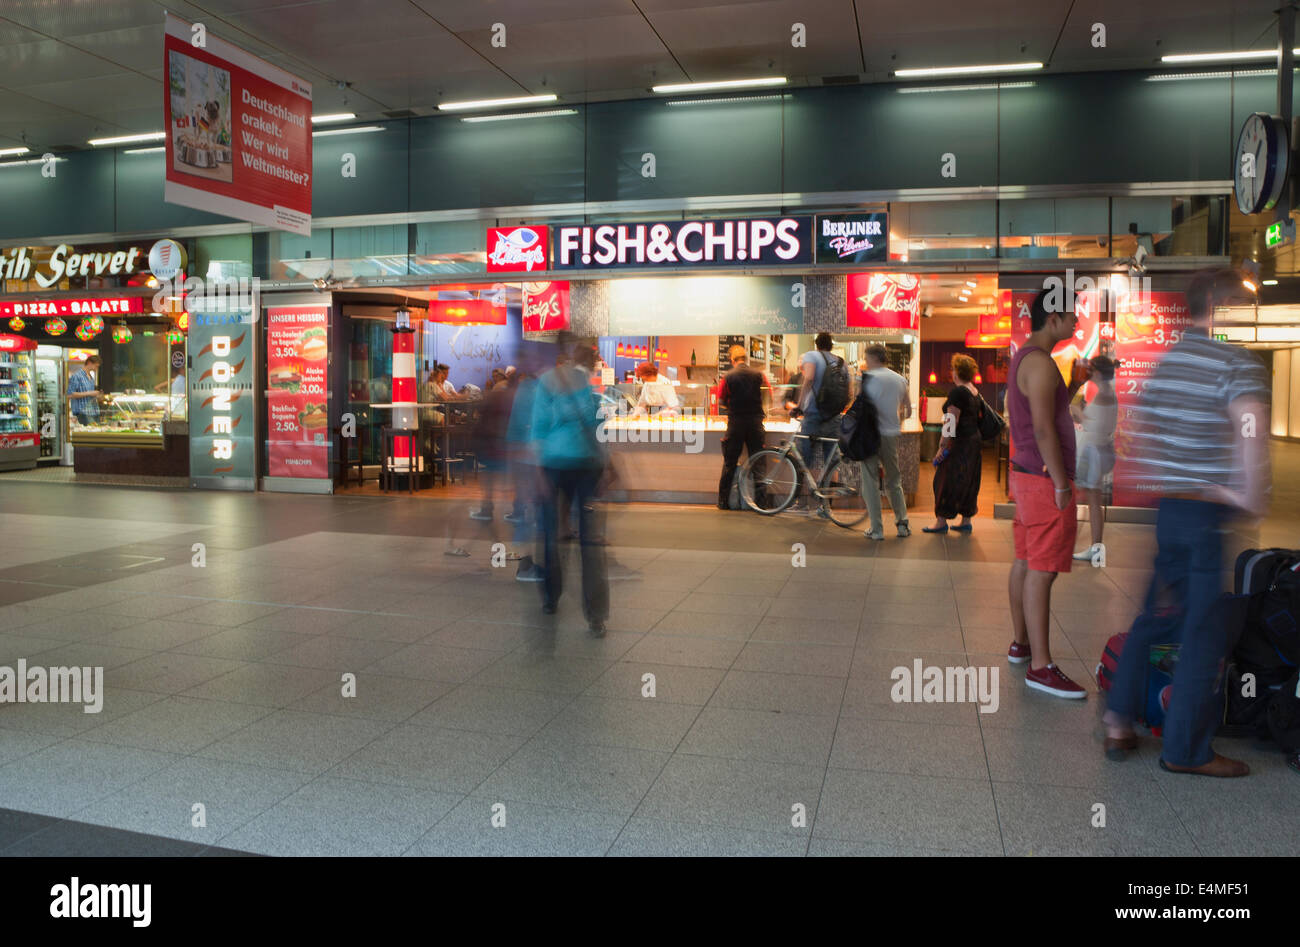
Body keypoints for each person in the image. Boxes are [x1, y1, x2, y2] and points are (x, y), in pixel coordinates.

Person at [1103, 269, 1271, 777]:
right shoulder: (1234, 362)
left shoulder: (1167, 363)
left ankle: (1118, 722)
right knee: (1202, 632)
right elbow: (1249, 427)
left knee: (1154, 618)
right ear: (1217, 304)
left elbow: (1149, 433)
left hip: (1169, 511)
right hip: (1205, 513)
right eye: (1238, 303)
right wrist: (1248, 489)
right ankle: (1187, 751)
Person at [1006, 287, 1084, 698]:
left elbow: (1049, 412)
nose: (1078, 323)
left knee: (1024, 560)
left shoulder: (1030, 360)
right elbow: (1042, 428)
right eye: (1072, 316)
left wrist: (1074, 385)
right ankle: (1041, 665)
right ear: (1052, 319)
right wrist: (1059, 483)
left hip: (1026, 476)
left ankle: (1021, 644)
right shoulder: (1039, 363)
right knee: (1043, 570)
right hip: (1042, 480)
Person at [530, 339, 609, 636]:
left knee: (550, 533)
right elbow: (597, 426)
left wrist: (538, 471)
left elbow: (537, 428)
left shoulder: (547, 381)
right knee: (590, 542)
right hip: (587, 467)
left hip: (553, 466)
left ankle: (551, 597)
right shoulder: (588, 384)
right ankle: (596, 614)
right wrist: (606, 465)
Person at [923, 354, 982, 533]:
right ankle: (966, 519)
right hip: (974, 441)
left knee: (944, 479)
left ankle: (941, 521)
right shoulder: (974, 391)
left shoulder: (958, 392)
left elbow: (950, 421)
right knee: (969, 479)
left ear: (956, 372)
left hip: (959, 443)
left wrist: (941, 447)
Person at [860, 344, 912, 540]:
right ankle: (902, 525)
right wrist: (897, 422)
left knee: (870, 482)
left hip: (869, 435)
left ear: (873, 358)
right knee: (894, 480)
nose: (865, 362)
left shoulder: (868, 379)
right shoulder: (900, 379)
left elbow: (860, 409)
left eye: (866, 359)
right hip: (890, 435)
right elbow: (907, 409)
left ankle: (877, 529)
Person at [1071, 355, 1118, 563]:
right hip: (1102, 451)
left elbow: (1086, 421)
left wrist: (1075, 409)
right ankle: (1096, 550)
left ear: (1096, 372)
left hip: (1093, 455)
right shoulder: (1108, 393)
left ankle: (1092, 548)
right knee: (1093, 502)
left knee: (1088, 500)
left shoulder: (1103, 394)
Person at [784, 332, 847, 487]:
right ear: (831, 345)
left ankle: (803, 501)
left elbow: (808, 380)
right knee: (831, 460)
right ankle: (826, 501)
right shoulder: (841, 362)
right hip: (834, 417)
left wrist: (799, 406)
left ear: (816, 344)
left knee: (804, 458)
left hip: (813, 415)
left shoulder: (812, 356)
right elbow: (849, 392)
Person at [716, 344, 768, 510]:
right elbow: (769, 393)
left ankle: (723, 502)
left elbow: (721, 400)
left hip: (736, 422)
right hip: (755, 422)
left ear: (732, 360)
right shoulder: (759, 374)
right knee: (758, 463)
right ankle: (761, 502)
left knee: (730, 463)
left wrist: (730, 407)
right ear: (746, 359)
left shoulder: (728, 376)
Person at [67, 355, 103, 426]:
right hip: (82, 413)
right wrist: (89, 393)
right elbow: (70, 395)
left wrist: (97, 396)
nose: (97, 368)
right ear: (89, 363)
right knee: (87, 435)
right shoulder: (77, 376)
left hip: (93, 411)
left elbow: (89, 395)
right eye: (96, 366)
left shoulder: (91, 377)